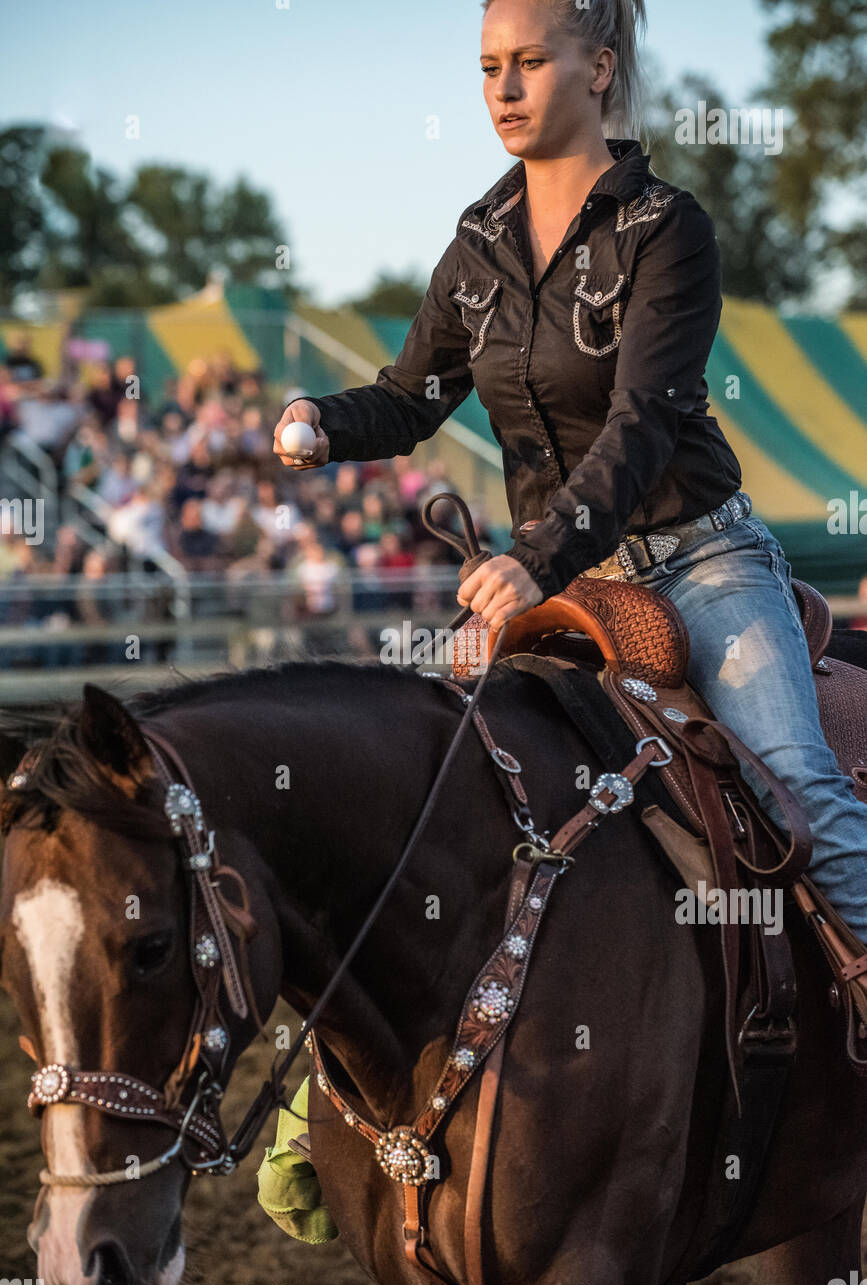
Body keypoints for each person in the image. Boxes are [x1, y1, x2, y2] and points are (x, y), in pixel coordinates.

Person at [272, 0, 867, 961]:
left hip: (699, 563)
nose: (502, 89)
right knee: (434, 782)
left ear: (597, 69)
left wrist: (534, 561)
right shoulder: (478, 243)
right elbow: (412, 394)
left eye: (528, 62)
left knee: (795, 780)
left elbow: (641, 424)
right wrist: (321, 422)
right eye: (487, 67)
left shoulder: (665, 229)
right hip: (566, 581)